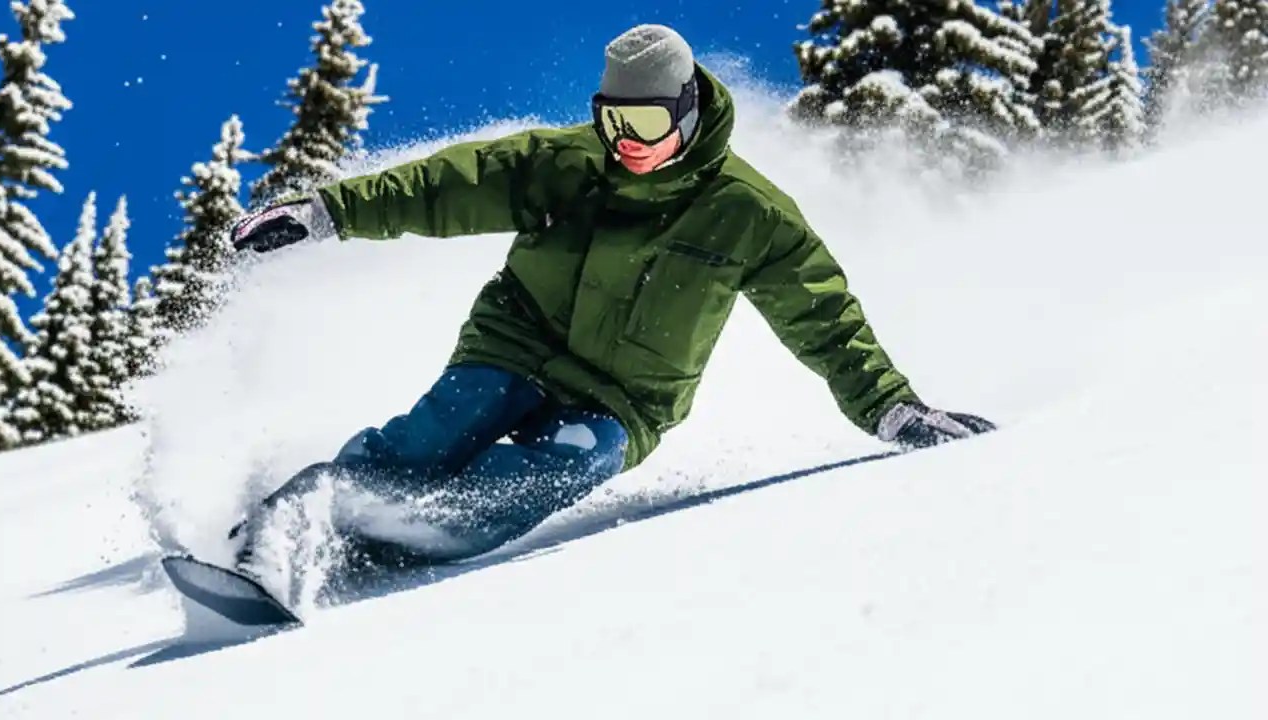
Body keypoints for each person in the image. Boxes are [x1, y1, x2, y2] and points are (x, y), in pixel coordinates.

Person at [226, 25, 994, 591]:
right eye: (613, 120)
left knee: (533, 477)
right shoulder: (567, 162)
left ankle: (395, 537)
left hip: (621, 401)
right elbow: (446, 185)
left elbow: (824, 318)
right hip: (517, 343)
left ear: (688, 113)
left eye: (647, 124)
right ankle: (305, 511)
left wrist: (892, 408)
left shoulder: (751, 213)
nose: (627, 140)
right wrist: (329, 211)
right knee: (442, 429)